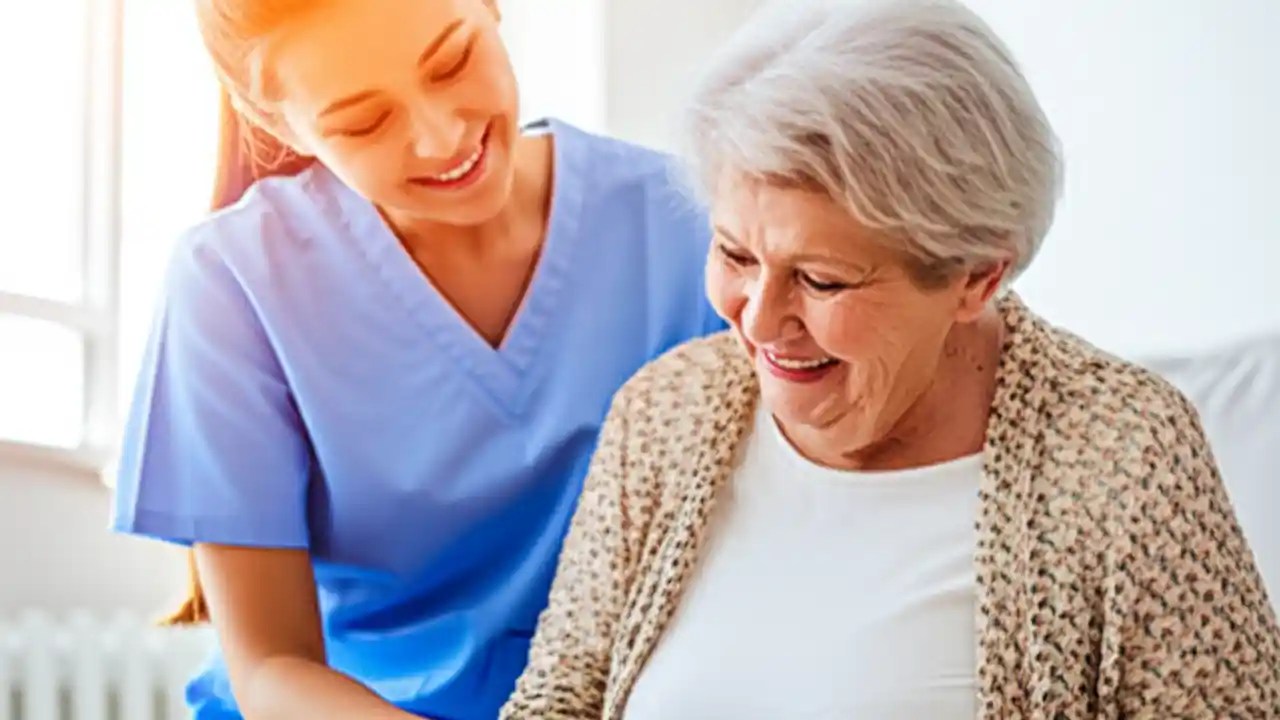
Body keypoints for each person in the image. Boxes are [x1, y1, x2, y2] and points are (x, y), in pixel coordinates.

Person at [500, 0, 1280, 717]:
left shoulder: (1126, 457)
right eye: (736, 254)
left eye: (821, 279)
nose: (760, 319)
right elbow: (559, 695)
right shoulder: (664, 413)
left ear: (977, 277)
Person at [109, 0, 723, 718]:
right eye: (364, 122)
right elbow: (272, 664)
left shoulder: (695, 223)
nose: (440, 139)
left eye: (453, 61)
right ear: (278, 123)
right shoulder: (231, 282)